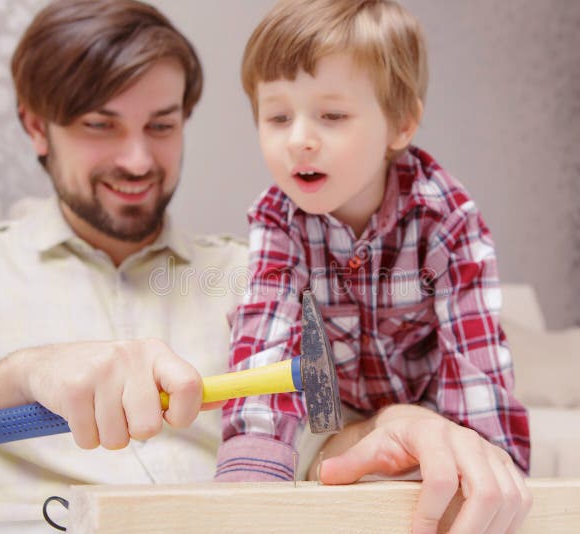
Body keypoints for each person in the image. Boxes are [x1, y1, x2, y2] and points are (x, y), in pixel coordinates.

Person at [0, 0, 245, 522]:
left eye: (161, 126)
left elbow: (338, 438)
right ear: (37, 127)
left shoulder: (255, 276)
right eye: (99, 125)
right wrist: (13, 377)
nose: (137, 161)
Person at [215, 0, 532, 532]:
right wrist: (249, 484)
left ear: (401, 123)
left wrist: (487, 468)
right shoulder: (276, 218)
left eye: (332, 115)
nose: (298, 139)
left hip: (428, 438)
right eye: (277, 117)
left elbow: (476, 362)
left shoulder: (447, 220)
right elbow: (264, 338)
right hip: (339, 441)